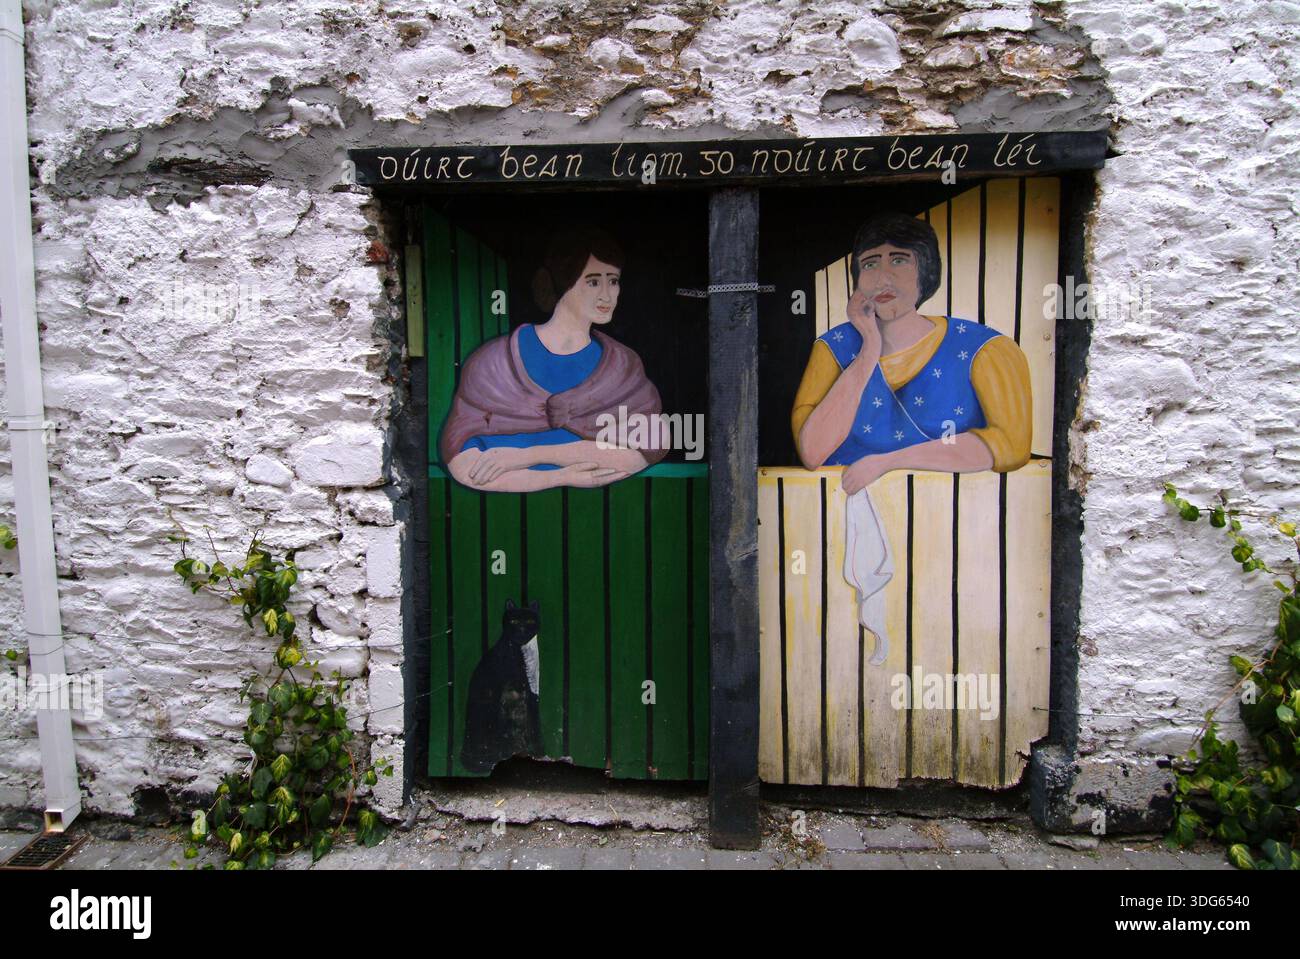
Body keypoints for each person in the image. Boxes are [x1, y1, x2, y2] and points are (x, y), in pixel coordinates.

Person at [792, 212, 1033, 493]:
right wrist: (870, 348)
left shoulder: (985, 349)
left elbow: (1011, 446)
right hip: (841, 517)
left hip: (955, 516)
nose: (883, 278)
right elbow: (812, 452)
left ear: (925, 271)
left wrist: (888, 462)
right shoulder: (832, 349)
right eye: (870, 264)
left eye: (899, 260)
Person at [440, 226, 666, 492]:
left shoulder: (621, 365)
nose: (607, 295)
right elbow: (463, 463)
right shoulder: (493, 362)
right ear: (562, 282)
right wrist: (559, 477)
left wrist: (525, 457)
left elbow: (646, 447)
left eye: (613, 281)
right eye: (593, 281)